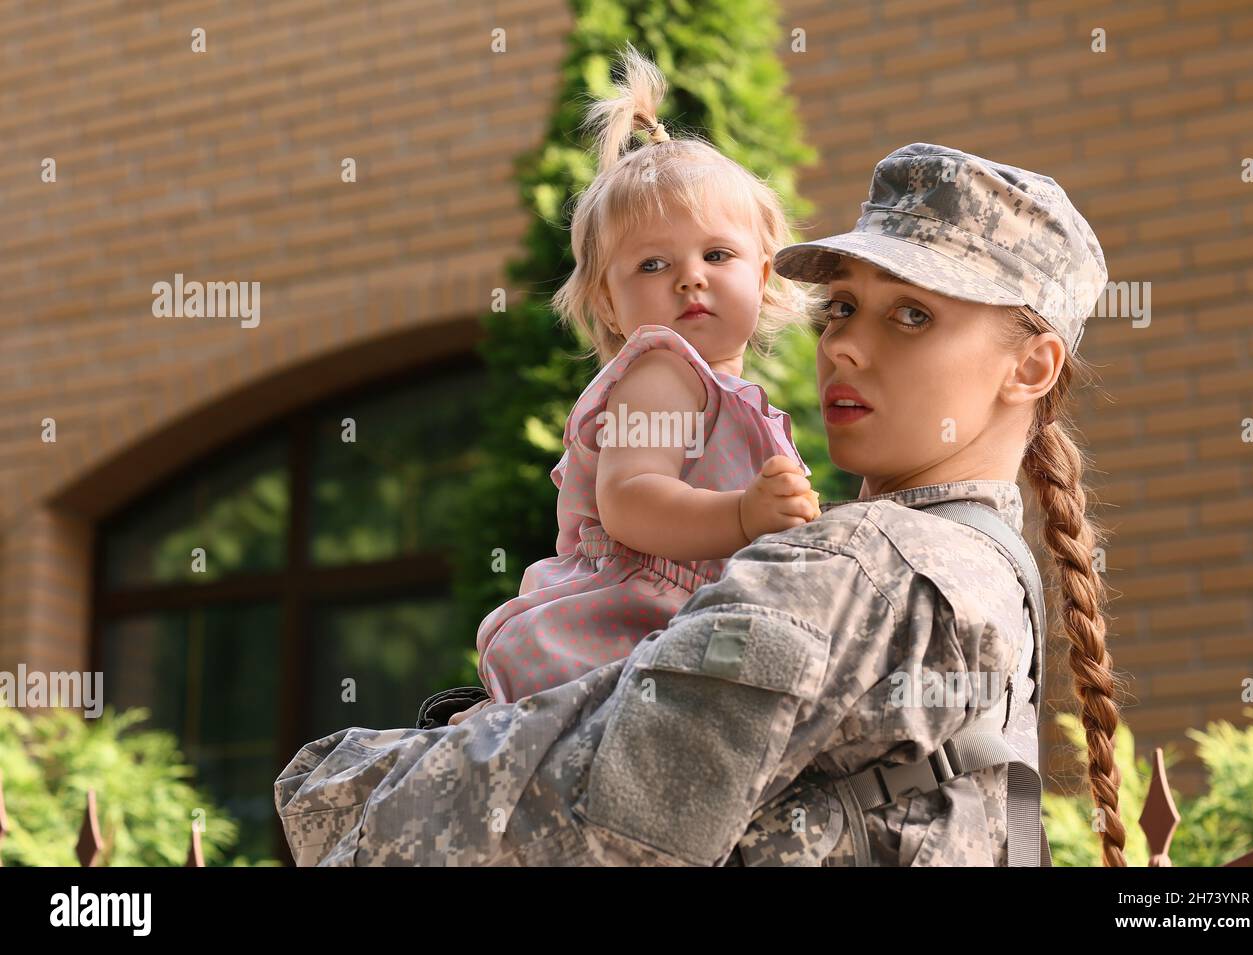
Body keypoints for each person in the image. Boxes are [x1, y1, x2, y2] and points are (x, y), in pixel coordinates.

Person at [275, 140, 1128, 867]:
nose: (845, 347)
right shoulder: (989, 566)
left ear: (1030, 367)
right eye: (841, 308)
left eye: (910, 315)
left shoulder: (858, 567)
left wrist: (335, 786)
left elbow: (596, 820)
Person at [423, 44, 819, 721]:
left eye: (717, 254)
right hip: (628, 621)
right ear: (607, 304)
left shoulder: (731, 396)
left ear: (762, 273)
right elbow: (631, 501)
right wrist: (744, 517)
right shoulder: (660, 370)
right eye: (653, 265)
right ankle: (492, 728)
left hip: (689, 624)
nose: (690, 276)